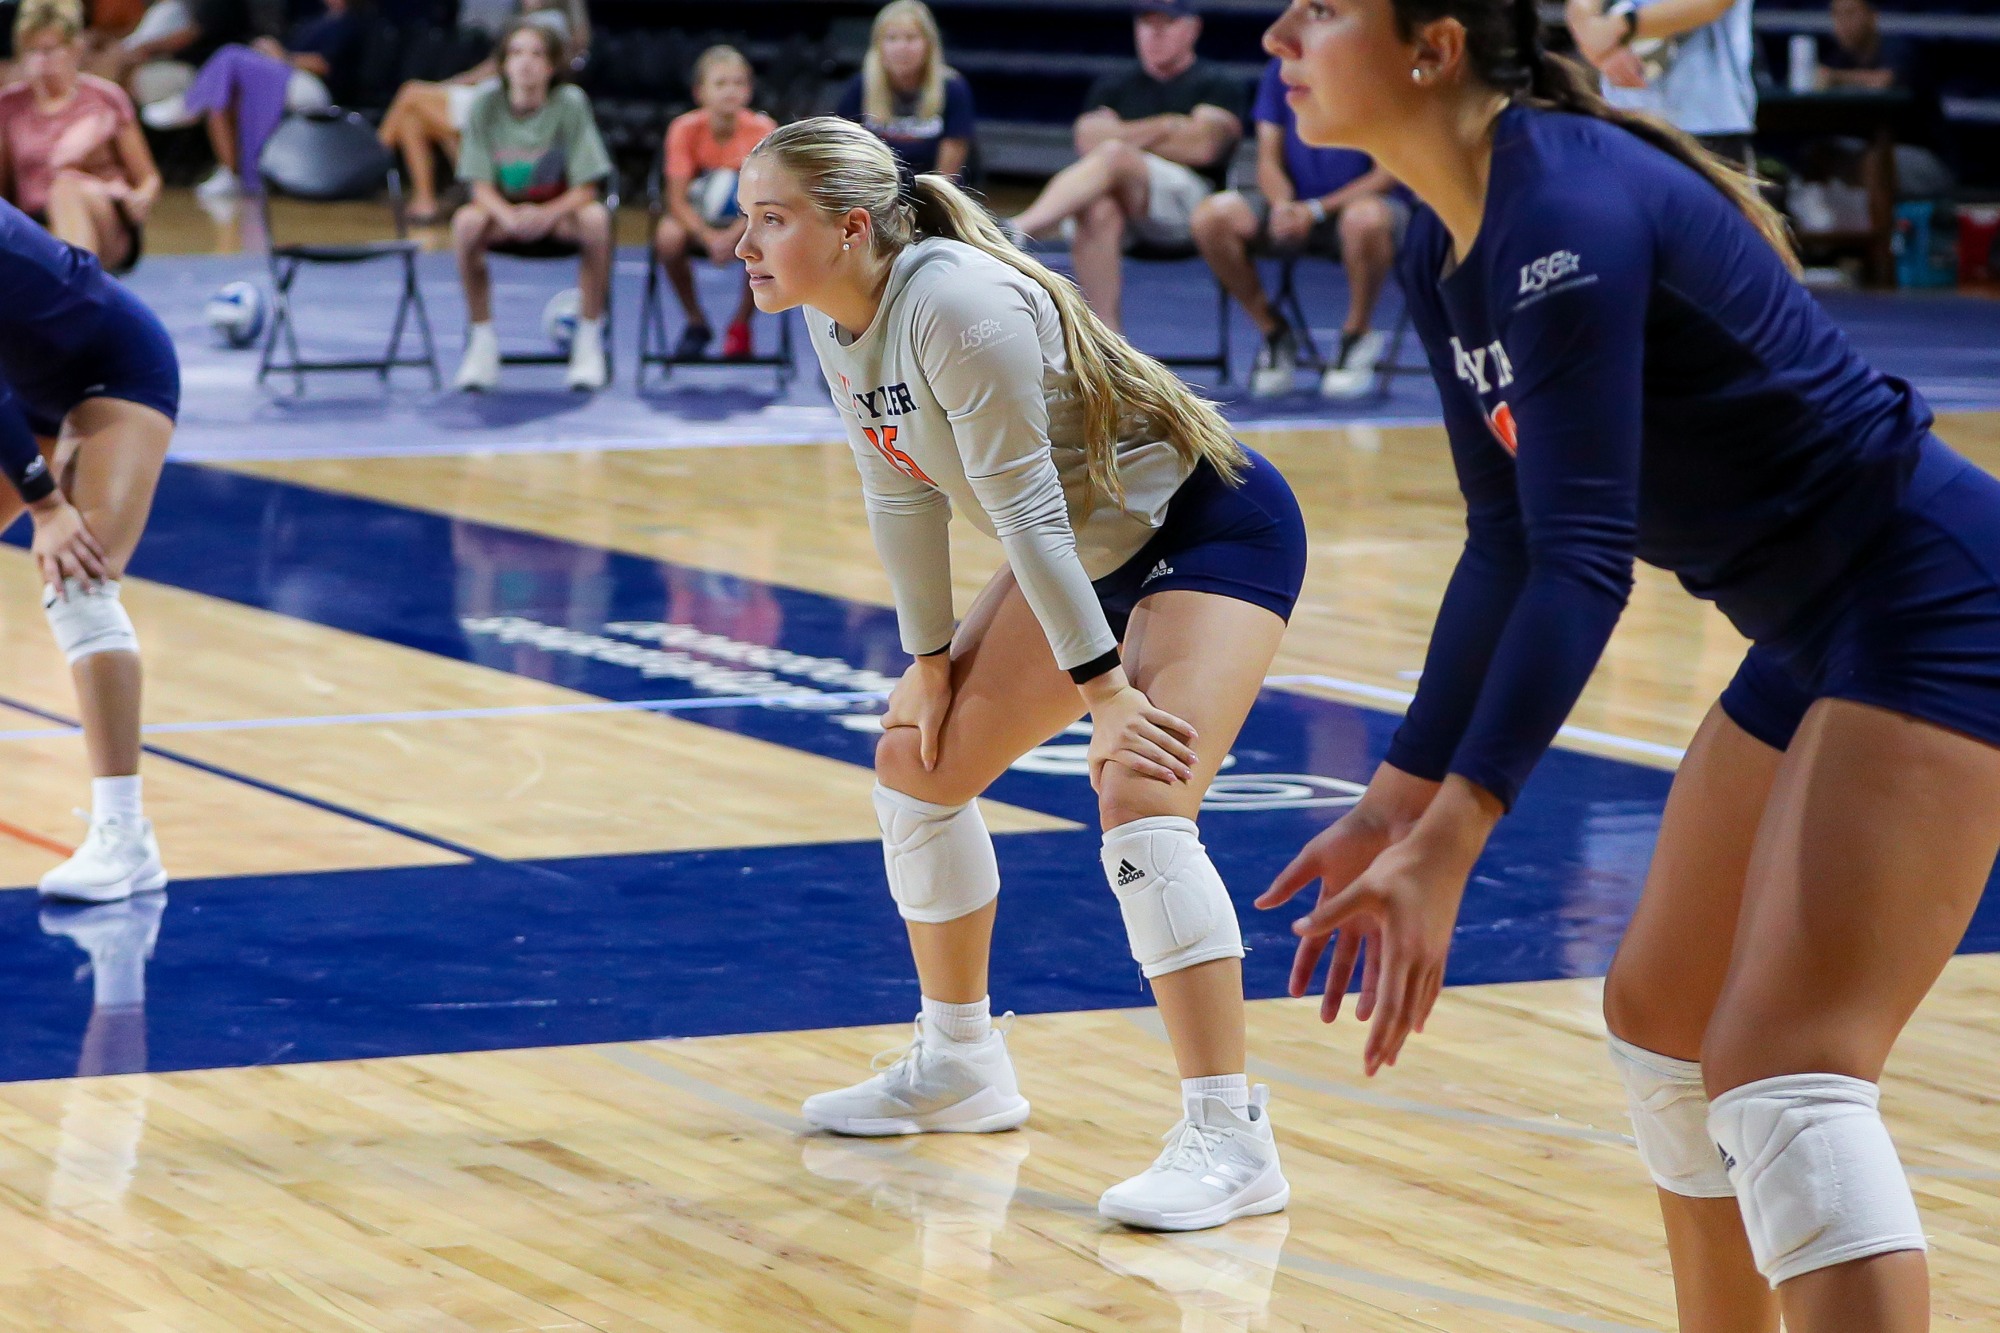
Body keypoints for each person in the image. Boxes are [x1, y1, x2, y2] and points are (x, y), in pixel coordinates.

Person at [1262, 0, 2000, 1329]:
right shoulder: (1444, 241)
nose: (1275, 35)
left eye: (1318, 9)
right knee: (1663, 1018)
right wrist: (1391, 801)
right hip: (1812, 627)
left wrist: (1457, 834)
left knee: (1786, 1071)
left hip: (1934, 599)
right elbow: (1503, 543)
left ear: (1431, 46)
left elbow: (1584, 560)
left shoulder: (1567, 207)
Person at [739, 115, 1307, 1231]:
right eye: (745, 217)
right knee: (916, 757)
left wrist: (1106, 696)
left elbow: (1027, 513)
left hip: (1207, 526)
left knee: (1141, 790)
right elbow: (898, 490)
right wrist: (925, 664)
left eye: (769, 218)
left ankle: (1230, 1135)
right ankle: (960, 1063)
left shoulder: (952, 299)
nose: (743, 243)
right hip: (1083, 552)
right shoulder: (833, 316)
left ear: (851, 228)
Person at [0, 198, 178, 904]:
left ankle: (124, 839)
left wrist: (47, 506)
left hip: (114, 366)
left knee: (79, 582)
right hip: (27, 383)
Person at [1006, 0, 1245, 331]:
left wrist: (1123, 138)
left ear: (1192, 28)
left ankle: (1019, 229)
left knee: (1115, 155)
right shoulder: (1115, 86)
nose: (1154, 35)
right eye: (1147, 26)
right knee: (1098, 207)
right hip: (1129, 213)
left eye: (1166, 25)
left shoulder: (1217, 83)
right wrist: (1167, 126)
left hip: (1192, 208)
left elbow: (1204, 146)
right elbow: (1087, 139)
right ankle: (1110, 341)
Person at [1190, 55, 1403, 399]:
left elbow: (1386, 174)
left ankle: (1357, 335)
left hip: (1363, 206)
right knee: (1213, 216)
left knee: (1364, 218)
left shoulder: (1378, 67)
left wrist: (1317, 210)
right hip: (1294, 206)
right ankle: (1274, 332)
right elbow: (1268, 159)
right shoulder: (1281, 69)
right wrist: (1283, 205)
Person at [450, 18, 612, 393]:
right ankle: (482, 344)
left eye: (537, 54)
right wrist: (509, 216)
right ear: (504, 63)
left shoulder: (570, 103)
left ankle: (588, 342)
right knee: (465, 223)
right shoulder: (486, 104)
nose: (526, 63)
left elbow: (586, 187)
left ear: (551, 65)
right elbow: (480, 187)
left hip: (556, 215)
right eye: (517, 53)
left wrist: (545, 214)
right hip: (503, 215)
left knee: (596, 220)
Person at [376, 0, 587, 224]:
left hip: (497, 99)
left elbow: (495, 69)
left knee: (411, 93)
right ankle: (425, 201)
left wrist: (452, 84)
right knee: (413, 119)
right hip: (491, 92)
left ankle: (373, 158)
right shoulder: (546, 21)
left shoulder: (544, 23)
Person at [141, 0, 360, 202]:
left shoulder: (350, 24)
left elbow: (323, 65)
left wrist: (282, 56)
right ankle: (230, 171)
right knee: (229, 90)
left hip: (309, 86)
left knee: (230, 55)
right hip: (280, 79)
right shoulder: (311, 21)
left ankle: (191, 104)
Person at [0, 0, 159, 271]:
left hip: (103, 212)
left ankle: (75, 280)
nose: (41, 60)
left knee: (66, 188)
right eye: (32, 51)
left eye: (49, 50)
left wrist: (141, 198)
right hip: (37, 224)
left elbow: (147, 178)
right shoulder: (9, 106)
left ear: (74, 49)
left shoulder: (105, 99)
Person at [655, 45, 777, 362]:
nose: (730, 92)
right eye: (721, 84)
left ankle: (741, 325)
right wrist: (709, 236)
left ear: (749, 91)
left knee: (772, 237)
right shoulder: (683, 129)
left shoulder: (764, 131)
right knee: (668, 237)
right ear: (700, 92)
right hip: (699, 218)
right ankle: (696, 322)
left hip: (751, 219)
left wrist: (735, 233)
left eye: (738, 84)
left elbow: (771, 198)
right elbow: (676, 199)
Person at [1565, 0, 1756, 167]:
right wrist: (1601, 52)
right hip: (1627, 118)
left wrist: (1622, 26)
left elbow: (1713, 4)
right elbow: (1581, 9)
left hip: (1709, 120)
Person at [834, 0, 975, 180]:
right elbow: (845, 154)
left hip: (933, 194)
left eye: (911, 38)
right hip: (876, 195)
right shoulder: (860, 86)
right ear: (878, 46)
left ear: (929, 45)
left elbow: (948, 176)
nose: (902, 47)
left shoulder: (953, 88)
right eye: (892, 38)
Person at [1818, 0, 1915, 92]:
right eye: (1836, 14)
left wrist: (1836, 77)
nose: (1843, 22)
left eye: (1850, 13)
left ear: (1872, 16)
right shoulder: (1839, 55)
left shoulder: (1896, 47)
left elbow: (1884, 81)